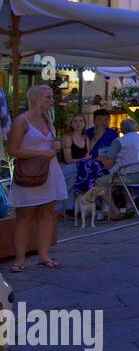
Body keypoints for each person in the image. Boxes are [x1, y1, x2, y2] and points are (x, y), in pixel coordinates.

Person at [8, 84, 66, 270]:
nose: (52, 100)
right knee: (24, 217)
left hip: (49, 171)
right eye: (48, 97)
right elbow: (12, 150)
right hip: (29, 172)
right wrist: (40, 154)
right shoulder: (22, 121)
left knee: (47, 214)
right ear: (36, 99)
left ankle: (44, 255)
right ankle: (20, 260)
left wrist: (55, 146)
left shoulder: (48, 119)